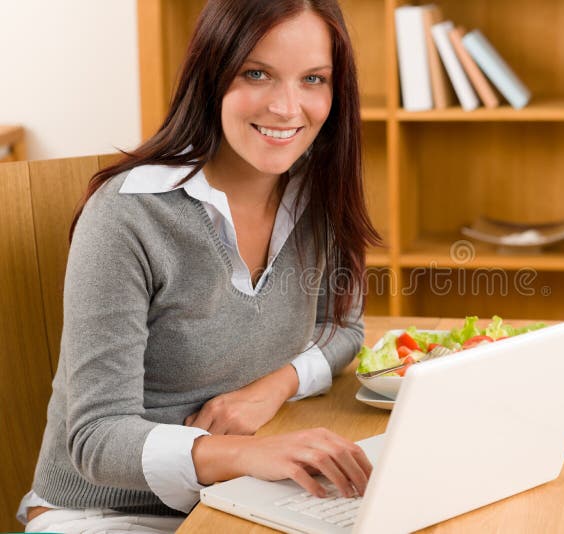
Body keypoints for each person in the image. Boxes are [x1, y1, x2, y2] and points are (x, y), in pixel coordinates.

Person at [18, 0, 381, 532]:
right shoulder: (128, 214)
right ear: (211, 75)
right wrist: (245, 455)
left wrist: (273, 388)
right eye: (257, 73)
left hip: (233, 502)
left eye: (313, 79)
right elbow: (96, 436)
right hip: (105, 512)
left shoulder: (318, 197)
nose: (287, 107)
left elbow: (342, 327)